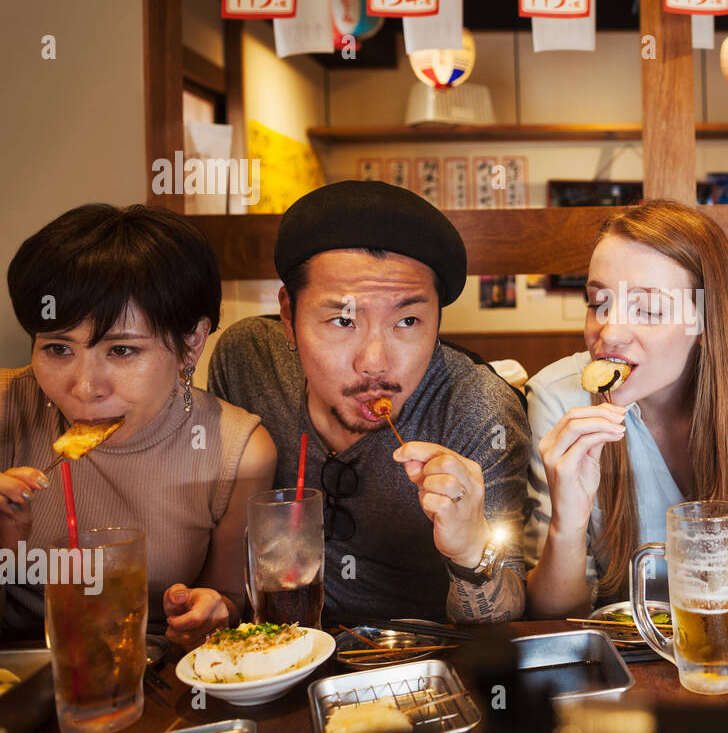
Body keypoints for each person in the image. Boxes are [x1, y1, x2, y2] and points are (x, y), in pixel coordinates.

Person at [207, 181, 529, 624]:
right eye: (343, 320)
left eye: (408, 321)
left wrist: (472, 551)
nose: (375, 363)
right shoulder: (247, 361)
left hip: (420, 665)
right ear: (288, 314)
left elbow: (503, 616)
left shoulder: (476, 407)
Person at [0, 205, 276, 646]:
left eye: (122, 351)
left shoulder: (236, 451)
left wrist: (208, 612)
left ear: (191, 343)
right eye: (57, 348)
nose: (85, 387)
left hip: (152, 675)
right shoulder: (7, 408)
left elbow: (225, 603)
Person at [524, 201, 728, 617]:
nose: (609, 333)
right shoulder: (558, 397)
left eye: (648, 309)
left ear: (706, 321)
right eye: (597, 302)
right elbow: (553, 616)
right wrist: (568, 522)